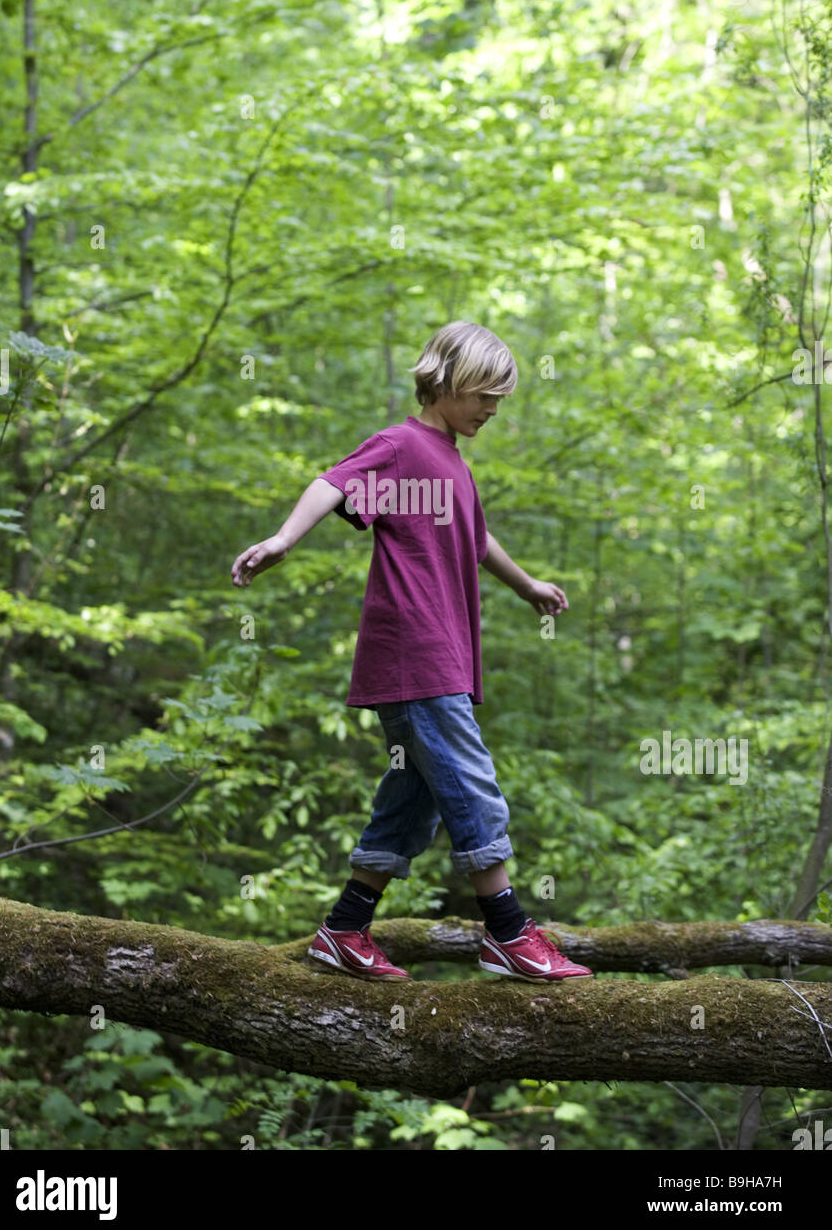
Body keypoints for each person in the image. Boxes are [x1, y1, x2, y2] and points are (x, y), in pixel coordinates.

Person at [231, 320, 592, 983]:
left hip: (442, 656)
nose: (491, 409)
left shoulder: (451, 461)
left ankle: (343, 929)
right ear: (446, 380)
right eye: (484, 395)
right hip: (414, 656)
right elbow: (333, 483)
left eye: (499, 400)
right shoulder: (400, 446)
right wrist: (284, 539)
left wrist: (528, 586)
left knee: (413, 801)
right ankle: (509, 934)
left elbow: (477, 540)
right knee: (473, 785)